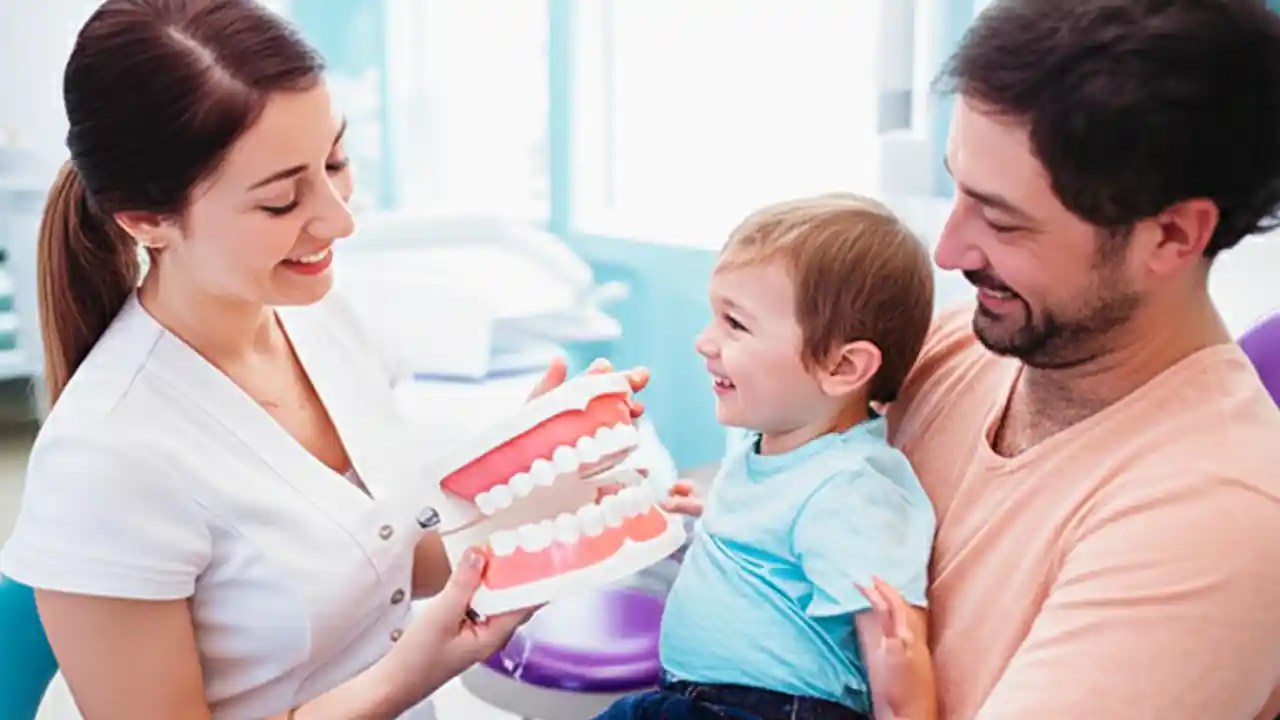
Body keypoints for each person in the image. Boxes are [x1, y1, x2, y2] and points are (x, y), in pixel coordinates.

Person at [0, 1, 651, 718]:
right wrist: (409, 674)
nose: (341, 219)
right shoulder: (105, 459)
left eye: (335, 161)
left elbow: (395, 564)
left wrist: (530, 476)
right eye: (281, 201)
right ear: (147, 220)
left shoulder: (323, 318)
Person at [876, 1, 1280, 717]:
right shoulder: (953, 351)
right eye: (957, 189)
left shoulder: (1215, 517)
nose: (950, 250)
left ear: (1173, 236)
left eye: (1002, 220)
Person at [596, 194, 940, 720]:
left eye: (735, 324)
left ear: (843, 366)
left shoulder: (850, 491)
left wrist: (909, 704)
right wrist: (709, 521)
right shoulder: (771, 448)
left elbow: (894, 639)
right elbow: (777, 557)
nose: (704, 342)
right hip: (695, 700)